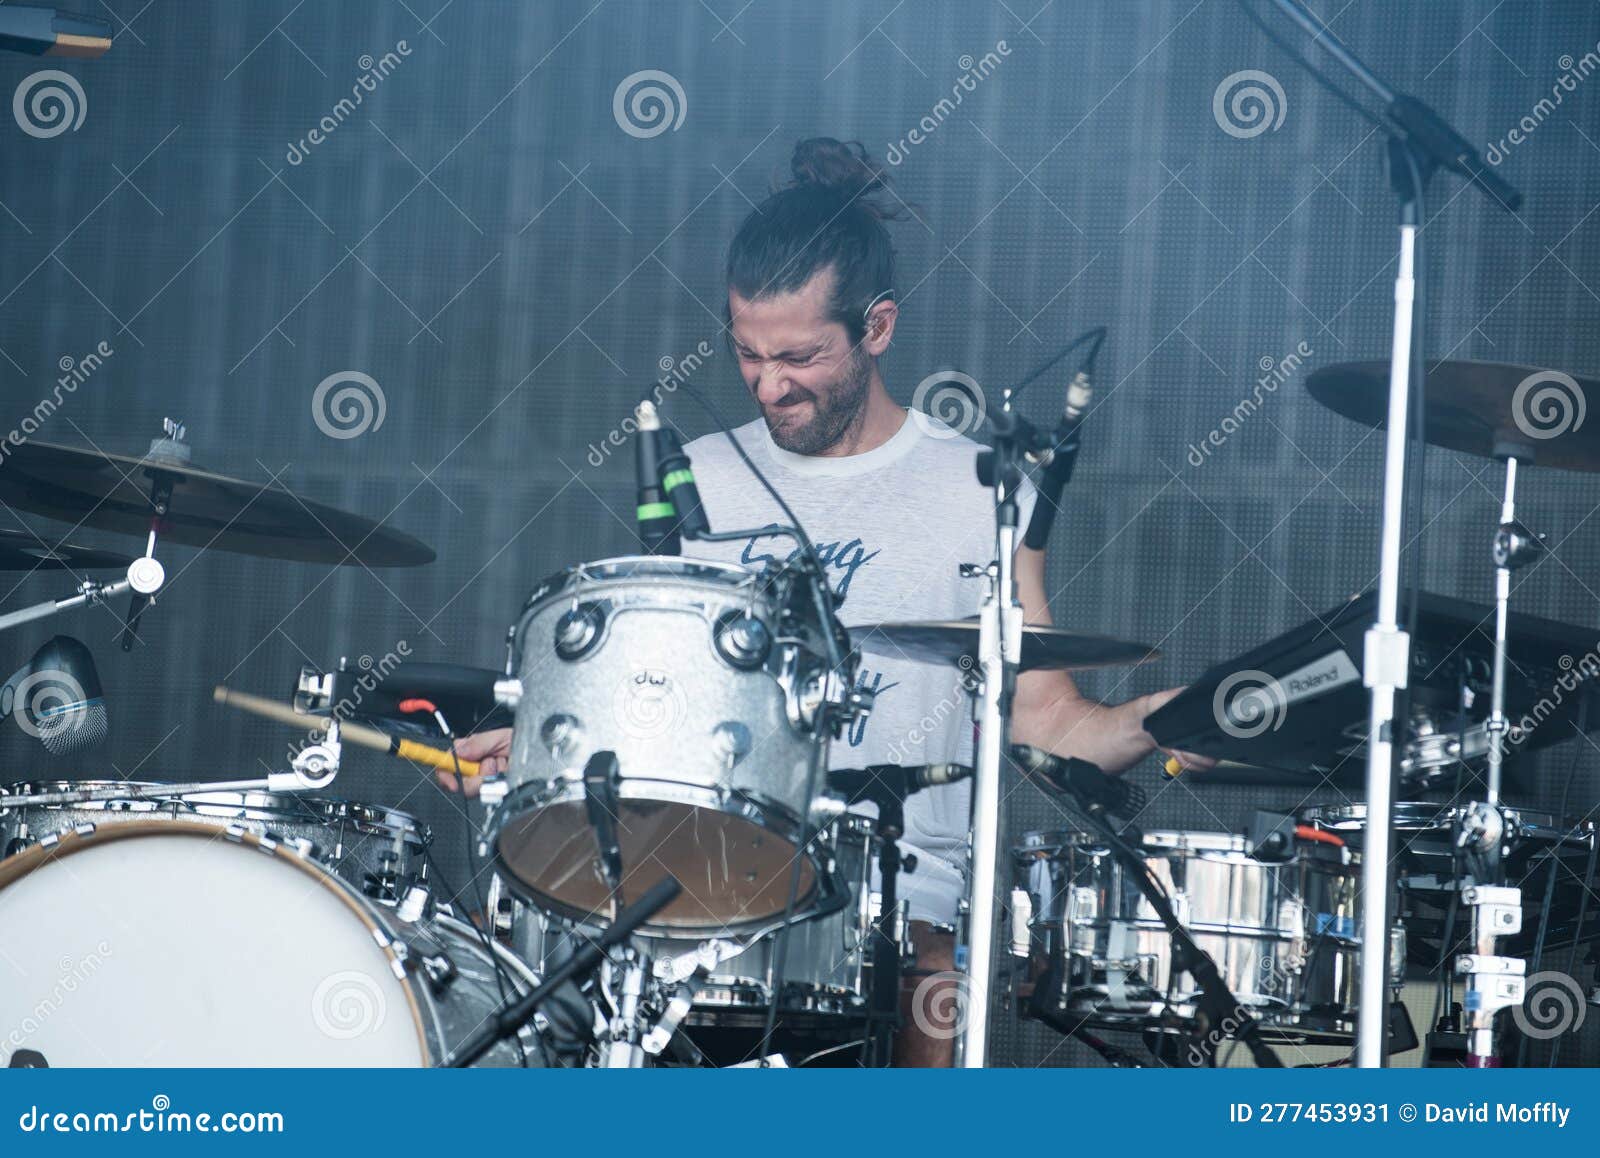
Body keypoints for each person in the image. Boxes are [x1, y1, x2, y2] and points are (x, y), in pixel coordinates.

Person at [448, 137, 1208, 1066]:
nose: (771, 384)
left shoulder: (980, 490)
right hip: (702, 915)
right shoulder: (701, 482)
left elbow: (1045, 717)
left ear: (877, 329)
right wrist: (534, 756)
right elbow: (656, 707)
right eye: (747, 354)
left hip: (908, 925)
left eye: (800, 355)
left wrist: (1164, 720)